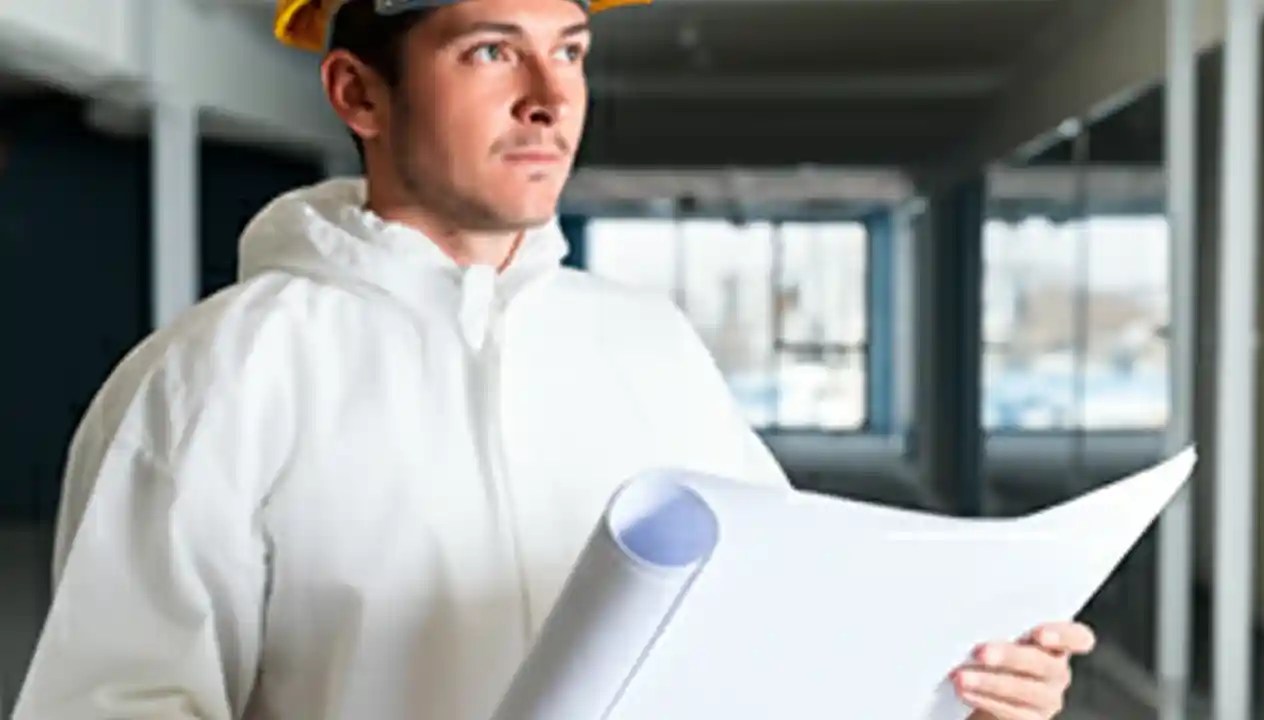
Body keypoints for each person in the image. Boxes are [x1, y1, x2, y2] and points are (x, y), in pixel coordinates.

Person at [13, 0, 1096, 718]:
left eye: (570, 49)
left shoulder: (647, 344)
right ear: (357, 94)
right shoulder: (216, 377)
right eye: (491, 50)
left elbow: (778, 642)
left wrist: (956, 688)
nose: (551, 94)